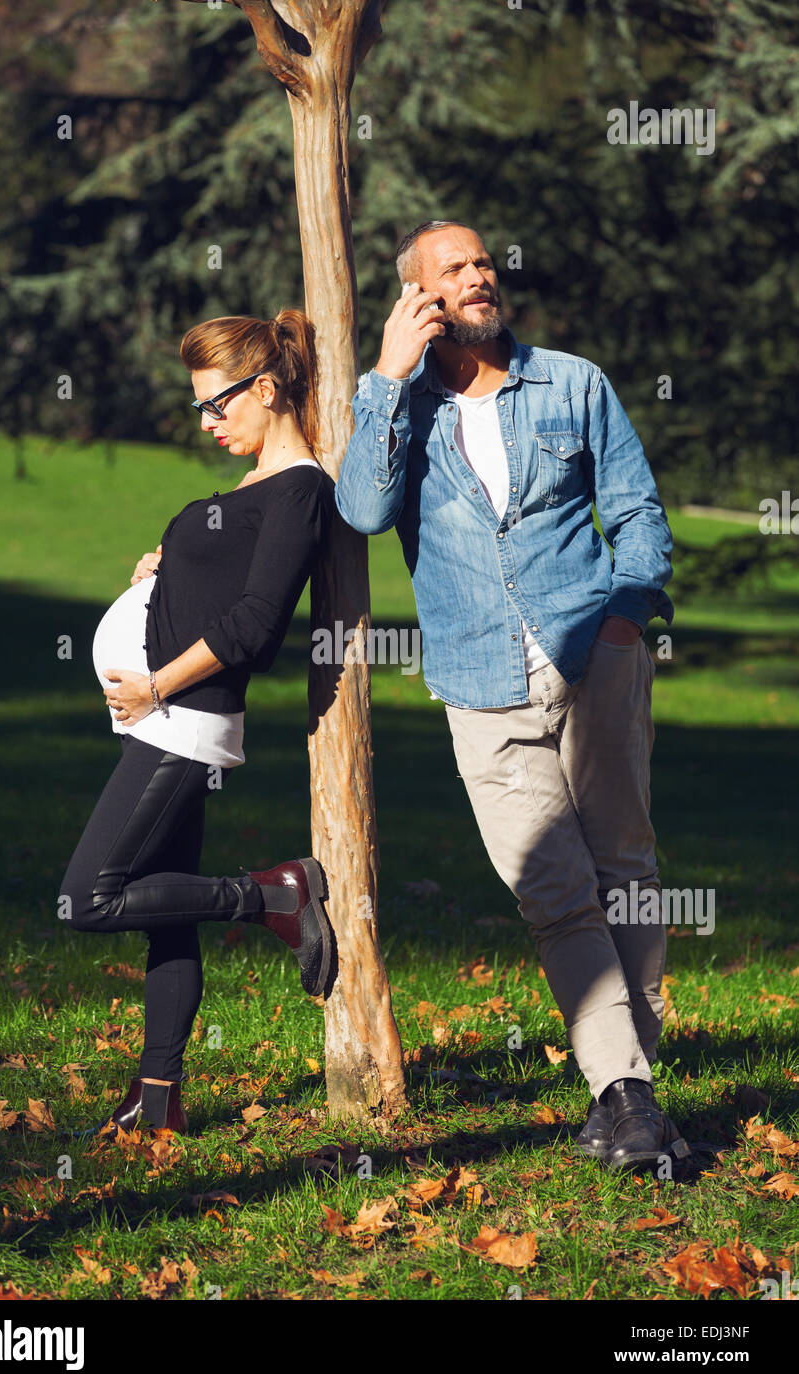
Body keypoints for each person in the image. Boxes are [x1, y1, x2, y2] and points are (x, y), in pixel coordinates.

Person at [335, 220, 690, 1174]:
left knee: (624, 867)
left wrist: (625, 617)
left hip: (595, 655)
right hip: (478, 680)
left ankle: (625, 1095)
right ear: (419, 299)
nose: (479, 277)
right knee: (549, 887)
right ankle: (632, 1098)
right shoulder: (402, 414)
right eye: (453, 269)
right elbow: (362, 511)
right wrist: (384, 376)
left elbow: (637, 512)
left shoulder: (572, 382)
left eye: (484, 261)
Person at [59, 309, 335, 1139]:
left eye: (219, 403)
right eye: (200, 409)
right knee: (163, 914)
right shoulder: (254, 487)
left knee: (86, 899)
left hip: (182, 720)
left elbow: (256, 624)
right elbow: (216, 585)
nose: (209, 421)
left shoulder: (301, 489)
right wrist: (162, 565)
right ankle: (158, 1091)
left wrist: (154, 688)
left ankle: (272, 894)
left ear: (269, 386)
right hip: (161, 719)